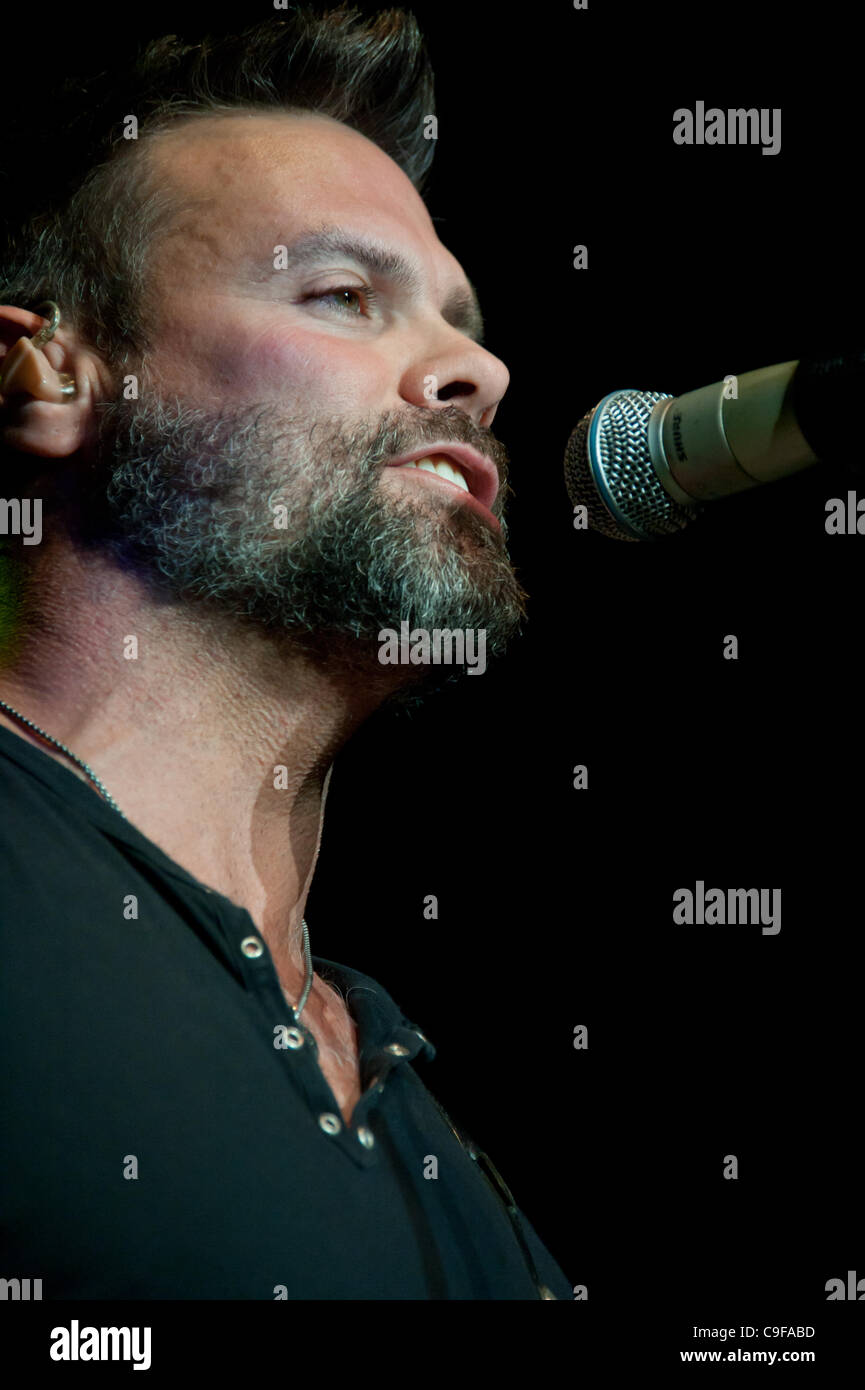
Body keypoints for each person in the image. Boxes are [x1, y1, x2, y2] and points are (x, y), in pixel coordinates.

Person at [0, 7, 568, 1299]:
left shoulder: (412, 1100)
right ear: (48, 378)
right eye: (343, 295)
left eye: (461, 320)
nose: (474, 366)